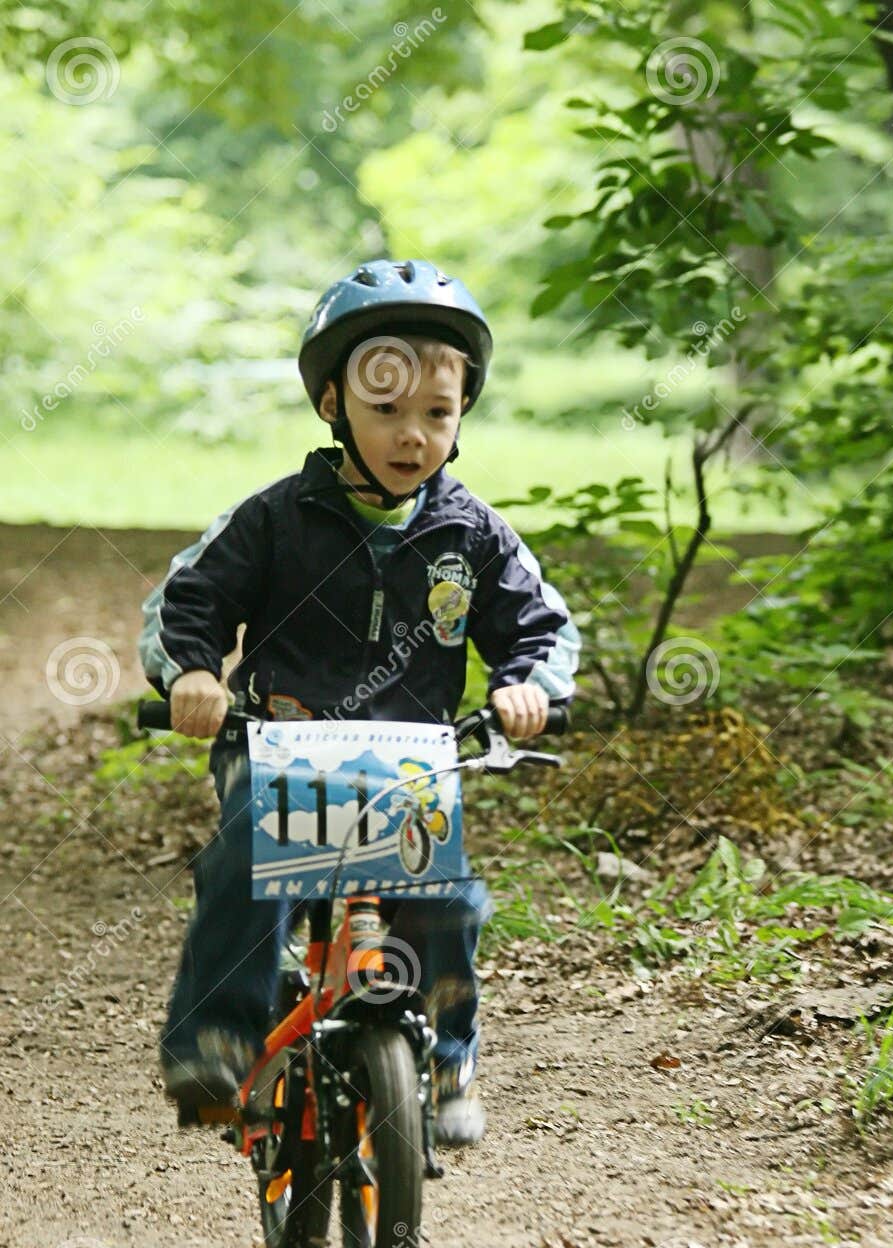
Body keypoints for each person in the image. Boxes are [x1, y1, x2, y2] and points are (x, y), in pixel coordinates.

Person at [138, 258, 580, 1145]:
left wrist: (528, 687)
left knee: (446, 903)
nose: (411, 435)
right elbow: (187, 601)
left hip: (408, 763)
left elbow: (543, 626)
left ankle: (447, 1055)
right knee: (246, 864)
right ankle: (218, 1041)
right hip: (276, 749)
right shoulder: (275, 519)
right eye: (386, 410)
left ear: (461, 418)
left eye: (436, 414)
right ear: (335, 403)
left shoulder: (476, 536)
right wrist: (190, 672)